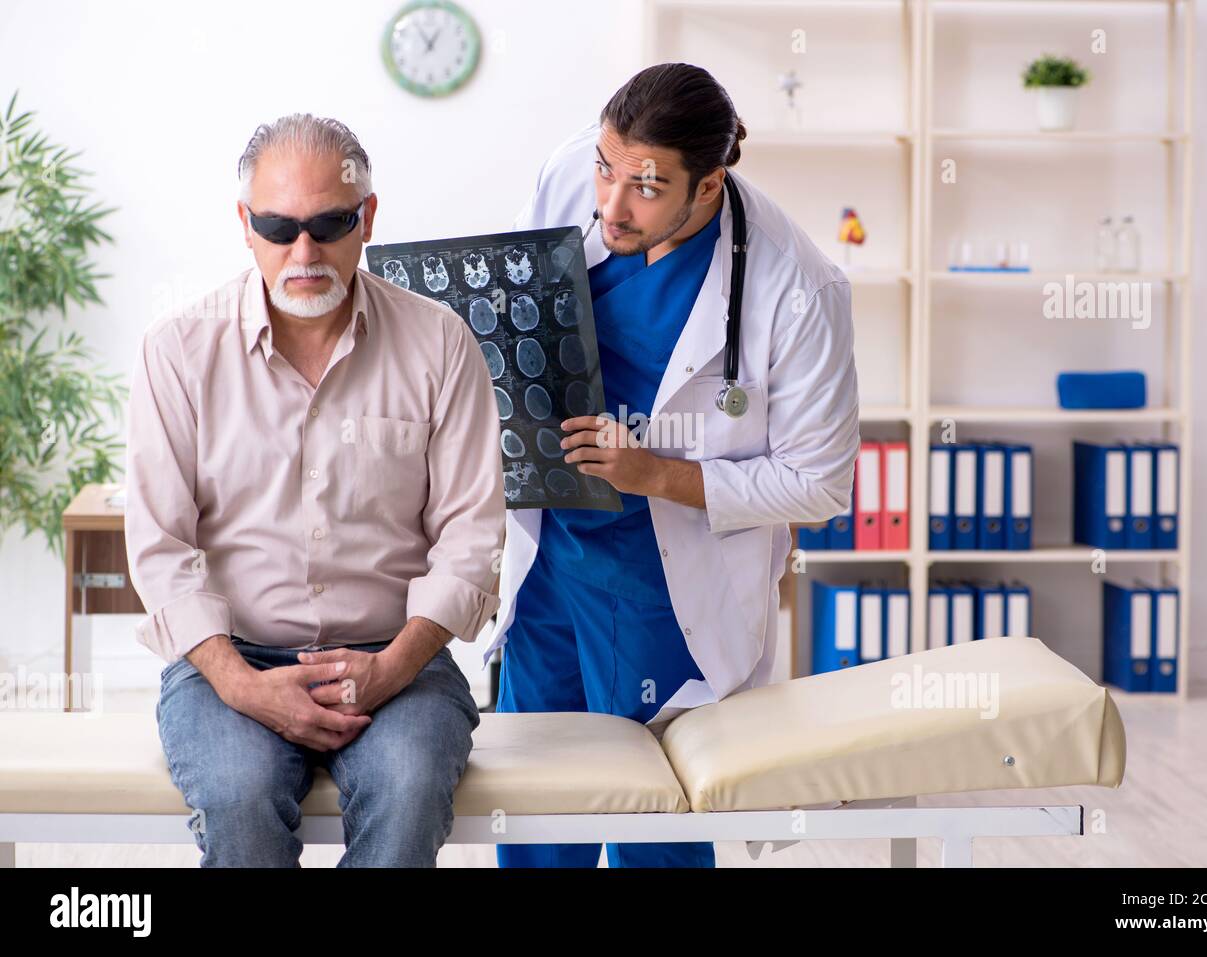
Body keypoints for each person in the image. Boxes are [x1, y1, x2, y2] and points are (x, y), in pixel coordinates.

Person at [487, 64, 861, 868]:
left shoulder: (797, 287)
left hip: (666, 580)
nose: (610, 206)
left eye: (646, 187)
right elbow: (520, 299)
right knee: (534, 806)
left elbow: (821, 482)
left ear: (709, 184)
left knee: (655, 823)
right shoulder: (575, 174)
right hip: (553, 552)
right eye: (605, 170)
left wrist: (655, 473)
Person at [125, 113, 505, 867]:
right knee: (238, 795)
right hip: (228, 658)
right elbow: (159, 545)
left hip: (400, 657)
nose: (304, 252)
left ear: (367, 218)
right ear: (244, 224)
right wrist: (241, 684)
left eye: (330, 224)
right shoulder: (177, 352)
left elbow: (471, 536)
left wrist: (391, 666)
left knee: (407, 787)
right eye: (277, 226)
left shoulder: (439, 342)